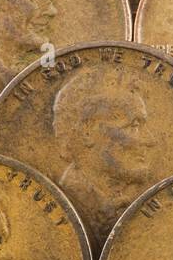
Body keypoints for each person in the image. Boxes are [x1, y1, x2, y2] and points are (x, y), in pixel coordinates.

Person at [52, 67, 154, 245]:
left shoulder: (124, 203)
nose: (150, 140)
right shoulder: (63, 205)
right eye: (134, 125)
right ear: (88, 132)